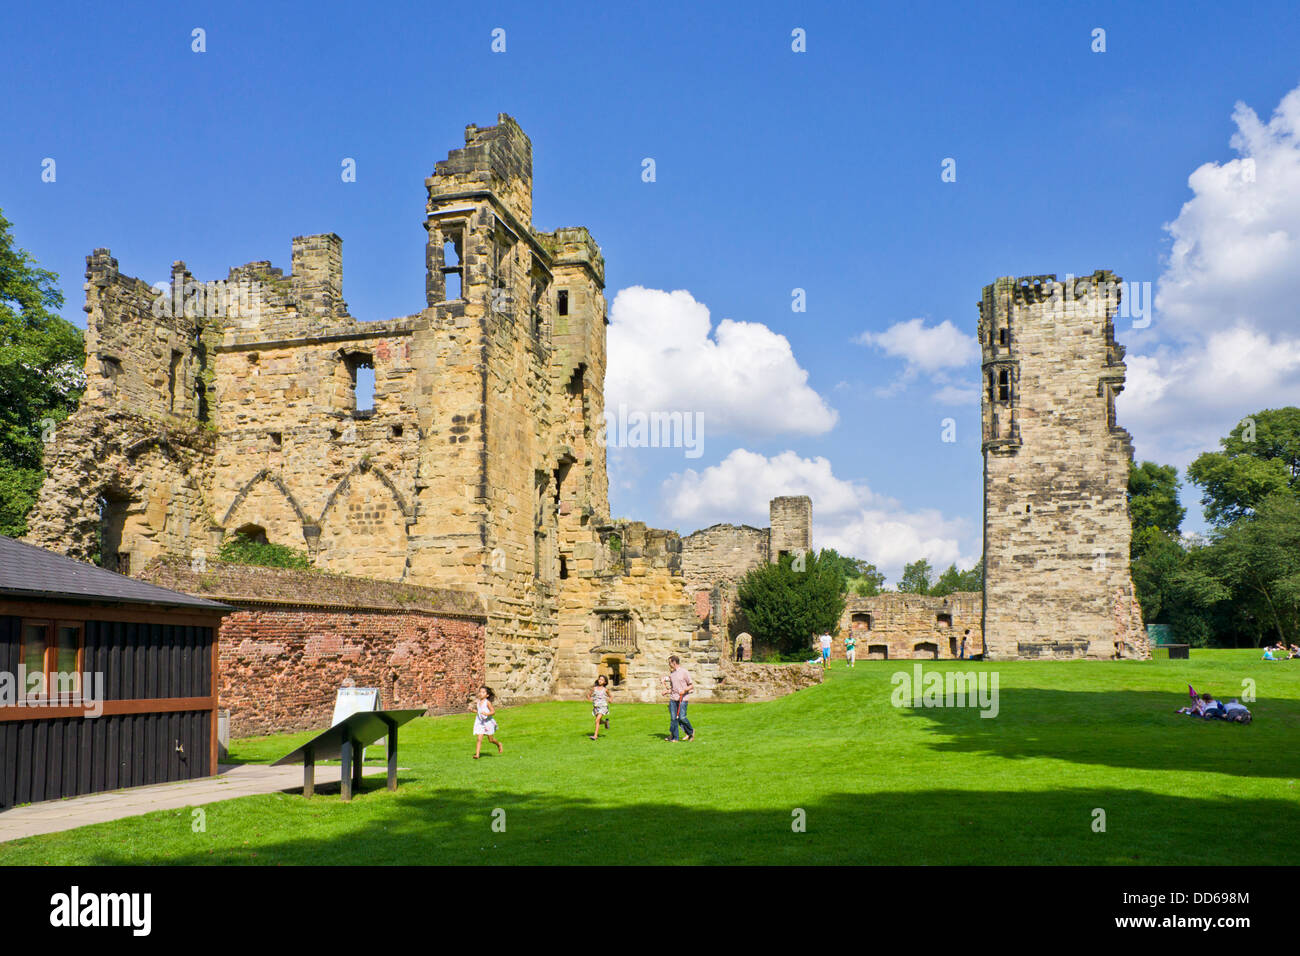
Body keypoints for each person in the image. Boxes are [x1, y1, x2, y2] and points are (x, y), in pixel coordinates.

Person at [661, 656, 695, 742]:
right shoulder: (672, 674)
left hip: (683, 699)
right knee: (673, 719)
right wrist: (666, 692)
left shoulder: (684, 672)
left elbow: (691, 685)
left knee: (682, 718)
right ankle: (675, 738)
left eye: (670, 663)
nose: (669, 664)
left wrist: (684, 690)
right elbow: (673, 689)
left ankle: (691, 732)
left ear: (674, 662)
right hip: (673, 699)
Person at [470, 685, 503, 759]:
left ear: (487, 695)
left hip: (488, 723)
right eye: (480, 692)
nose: (481, 693)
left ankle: (499, 744)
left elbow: (493, 712)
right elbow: (479, 712)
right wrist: (472, 710)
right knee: (479, 739)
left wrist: (487, 714)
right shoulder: (478, 702)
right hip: (480, 722)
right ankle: (477, 755)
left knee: (490, 740)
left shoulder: (487, 702)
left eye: (483, 692)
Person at [588, 674, 611, 740]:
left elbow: (610, 696)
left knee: (597, 720)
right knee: (599, 721)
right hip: (596, 707)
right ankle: (606, 722)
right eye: (599, 679)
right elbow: (588, 695)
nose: (600, 681)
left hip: (603, 707)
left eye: (602, 680)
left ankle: (595, 736)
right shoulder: (594, 689)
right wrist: (589, 698)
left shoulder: (605, 690)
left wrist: (610, 700)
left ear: (605, 682)